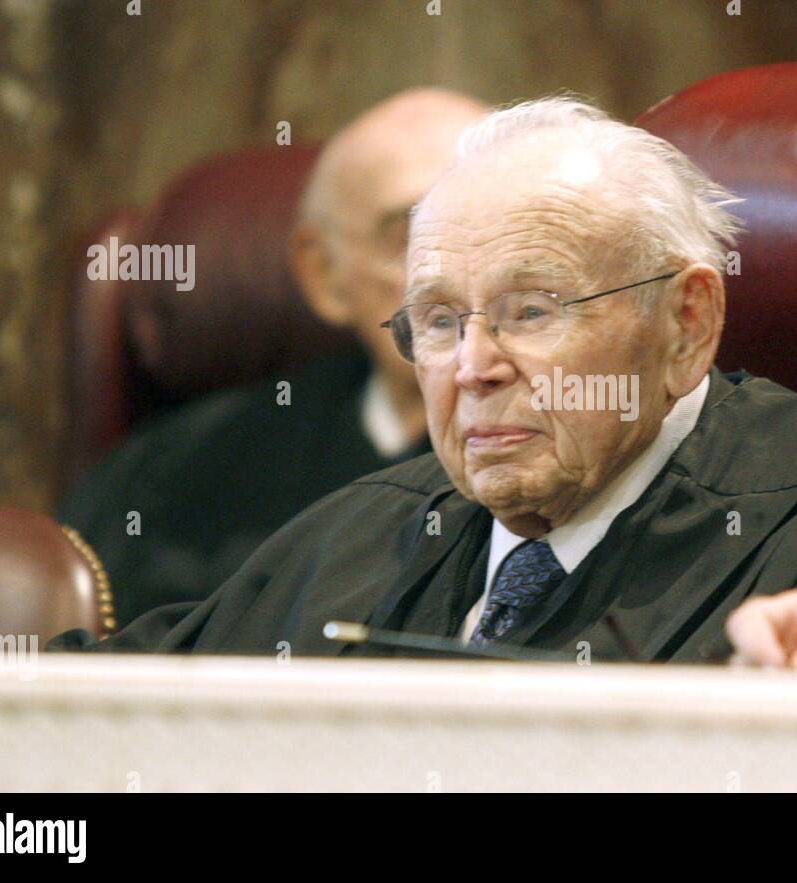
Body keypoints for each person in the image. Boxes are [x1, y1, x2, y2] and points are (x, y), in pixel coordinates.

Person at [51, 97, 797, 663]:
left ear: (686, 323)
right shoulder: (363, 528)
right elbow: (105, 711)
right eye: (438, 321)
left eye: (532, 310)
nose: (473, 369)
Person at [57, 89, 486, 626]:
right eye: (413, 235)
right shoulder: (178, 471)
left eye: (497, 235)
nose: (463, 274)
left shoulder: (560, 448)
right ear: (324, 273)